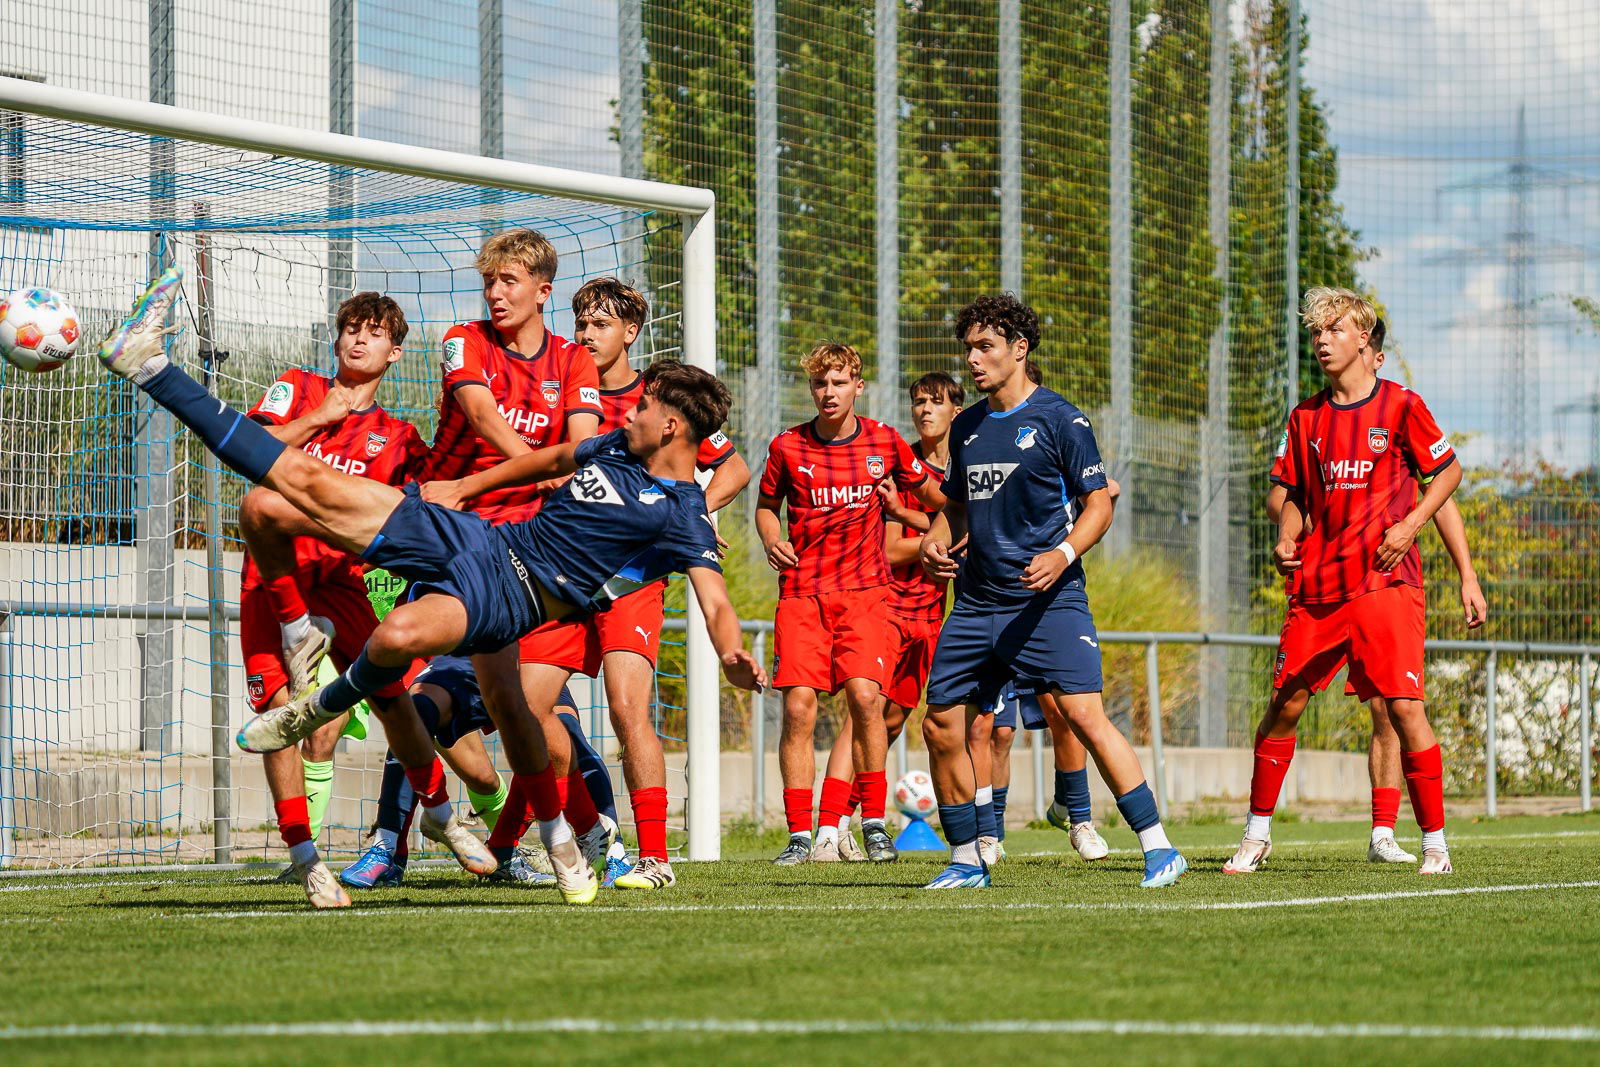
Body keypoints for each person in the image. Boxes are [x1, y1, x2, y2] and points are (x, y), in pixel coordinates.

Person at [96, 267, 767, 906]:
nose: (631, 413)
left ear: (673, 426)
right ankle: (148, 363)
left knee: (402, 639)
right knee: (301, 484)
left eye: (643, 407)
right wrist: (464, 487)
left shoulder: (684, 513)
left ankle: (329, 709)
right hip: (481, 539)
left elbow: (713, 598)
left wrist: (733, 653)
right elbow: (555, 457)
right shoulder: (620, 447)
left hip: (515, 595)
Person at [919, 293, 1185, 890]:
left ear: (1019, 350)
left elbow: (1098, 505)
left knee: (1084, 715)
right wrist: (939, 540)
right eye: (968, 348)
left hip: (1049, 600)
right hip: (978, 601)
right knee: (941, 723)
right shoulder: (965, 427)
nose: (972, 359)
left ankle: (1159, 847)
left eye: (985, 347)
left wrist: (1061, 553)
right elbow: (957, 509)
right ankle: (966, 861)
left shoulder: (1063, 421)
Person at [493, 277, 749, 891]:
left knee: (629, 710)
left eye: (600, 324)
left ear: (629, 334)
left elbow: (734, 467)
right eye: (580, 323)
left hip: (628, 581)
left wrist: (690, 520)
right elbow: (551, 461)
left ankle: (655, 855)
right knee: (526, 708)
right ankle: (550, 838)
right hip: (560, 571)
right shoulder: (562, 392)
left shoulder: (660, 401)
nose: (585, 334)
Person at [1227, 287, 1460, 877]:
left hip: (1386, 586)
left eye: (1333, 330)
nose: (1322, 341)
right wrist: (1287, 535)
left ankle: (1434, 843)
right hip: (1319, 590)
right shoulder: (1305, 417)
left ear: (1364, 340)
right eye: (1316, 333)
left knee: (1403, 710)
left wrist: (1409, 526)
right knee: (1284, 705)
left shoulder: (1402, 407)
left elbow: (1447, 471)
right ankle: (1256, 834)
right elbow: (1295, 496)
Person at [421, 228, 612, 881]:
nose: (495, 292)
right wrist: (544, 464)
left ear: (542, 290)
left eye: (509, 281)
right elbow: (480, 415)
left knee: (529, 703)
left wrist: (568, 470)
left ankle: (571, 831)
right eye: (489, 281)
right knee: (463, 695)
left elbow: (583, 446)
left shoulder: (574, 360)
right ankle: (434, 828)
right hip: (465, 539)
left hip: (545, 549)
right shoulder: (463, 340)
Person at [231, 291, 429, 908]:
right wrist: (322, 419)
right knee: (281, 713)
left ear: (394, 352)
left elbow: (422, 512)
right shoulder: (296, 387)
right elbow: (250, 455)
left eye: (373, 333)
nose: (357, 340)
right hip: (272, 578)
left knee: (400, 695)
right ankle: (306, 858)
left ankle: (461, 817)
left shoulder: (399, 437)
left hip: (343, 584)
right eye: (349, 329)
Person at [758, 344, 945, 866]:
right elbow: (766, 508)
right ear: (811, 389)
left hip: (866, 594)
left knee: (866, 699)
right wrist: (771, 536)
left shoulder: (884, 441)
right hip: (802, 595)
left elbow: (934, 497)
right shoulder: (787, 447)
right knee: (798, 708)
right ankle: (800, 835)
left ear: (857, 386)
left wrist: (944, 516)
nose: (829, 393)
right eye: (820, 384)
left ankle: (873, 823)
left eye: (839, 383)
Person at [812, 372, 959, 862]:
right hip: (886, 606)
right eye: (918, 402)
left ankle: (855, 824)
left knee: (893, 721)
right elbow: (891, 550)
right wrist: (944, 539)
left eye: (935, 402)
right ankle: (828, 830)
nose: (924, 410)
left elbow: (956, 521)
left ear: (956, 410)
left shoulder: (963, 470)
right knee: (863, 713)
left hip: (931, 614)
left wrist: (937, 528)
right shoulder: (898, 464)